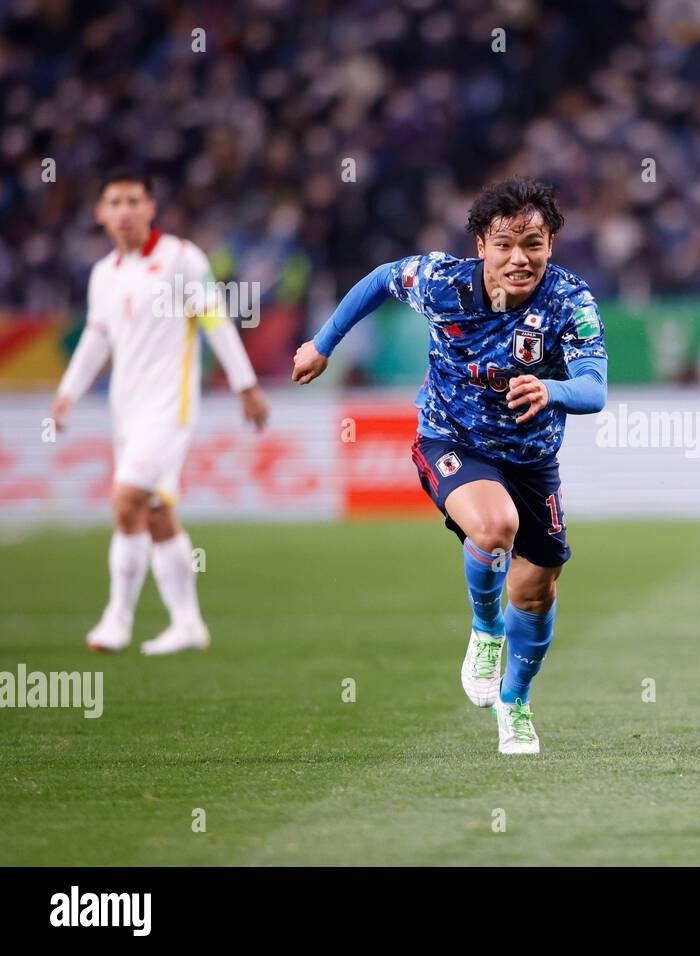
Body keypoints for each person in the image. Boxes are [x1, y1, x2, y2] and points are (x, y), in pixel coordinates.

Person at [291, 177, 608, 754]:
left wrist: (553, 391)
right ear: (481, 245)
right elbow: (380, 279)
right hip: (451, 438)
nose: (520, 258)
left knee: (536, 594)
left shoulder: (569, 301)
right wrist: (323, 343)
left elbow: (595, 387)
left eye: (533, 244)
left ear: (551, 246)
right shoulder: (441, 283)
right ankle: (486, 632)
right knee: (494, 527)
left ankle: (515, 703)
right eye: (505, 243)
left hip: (533, 460)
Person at [52, 169, 269, 655]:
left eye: (134, 200)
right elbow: (96, 336)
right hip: (125, 410)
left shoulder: (181, 258)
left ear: (151, 209)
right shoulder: (103, 274)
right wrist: (68, 391)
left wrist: (245, 384)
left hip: (171, 405)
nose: (125, 210)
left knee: (126, 500)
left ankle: (117, 618)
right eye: (115, 202)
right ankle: (187, 622)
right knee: (155, 512)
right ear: (101, 214)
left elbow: (214, 318)